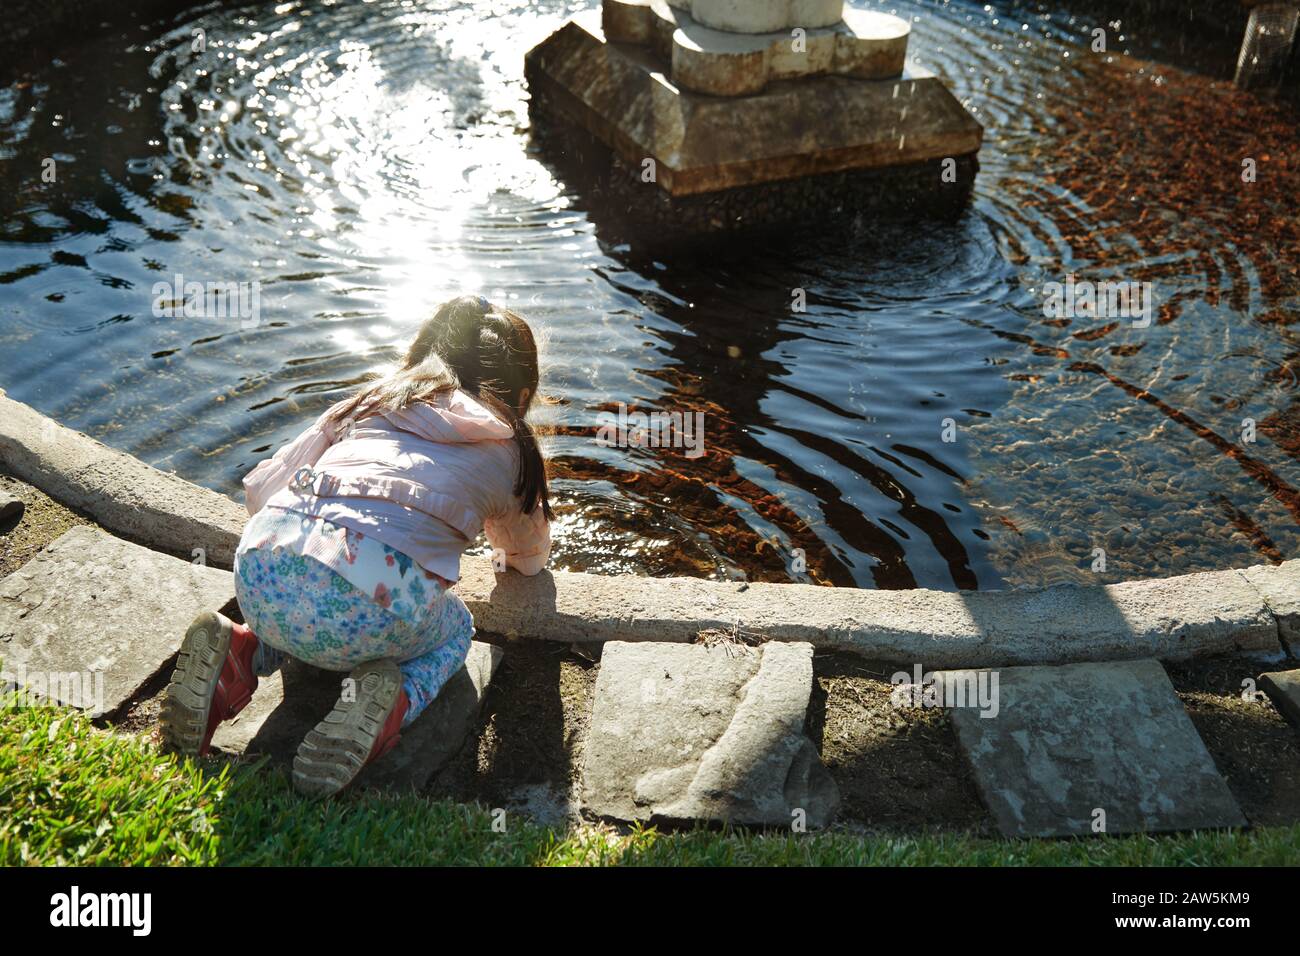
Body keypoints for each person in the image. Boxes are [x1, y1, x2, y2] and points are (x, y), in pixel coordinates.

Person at [161, 295, 553, 796]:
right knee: (456, 627)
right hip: (369, 607)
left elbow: (260, 491)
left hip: (262, 569)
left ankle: (241, 651)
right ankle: (394, 704)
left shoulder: (370, 401)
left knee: (312, 585)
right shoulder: (507, 447)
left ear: (423, 354)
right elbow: (526, 555)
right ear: (521, 394)